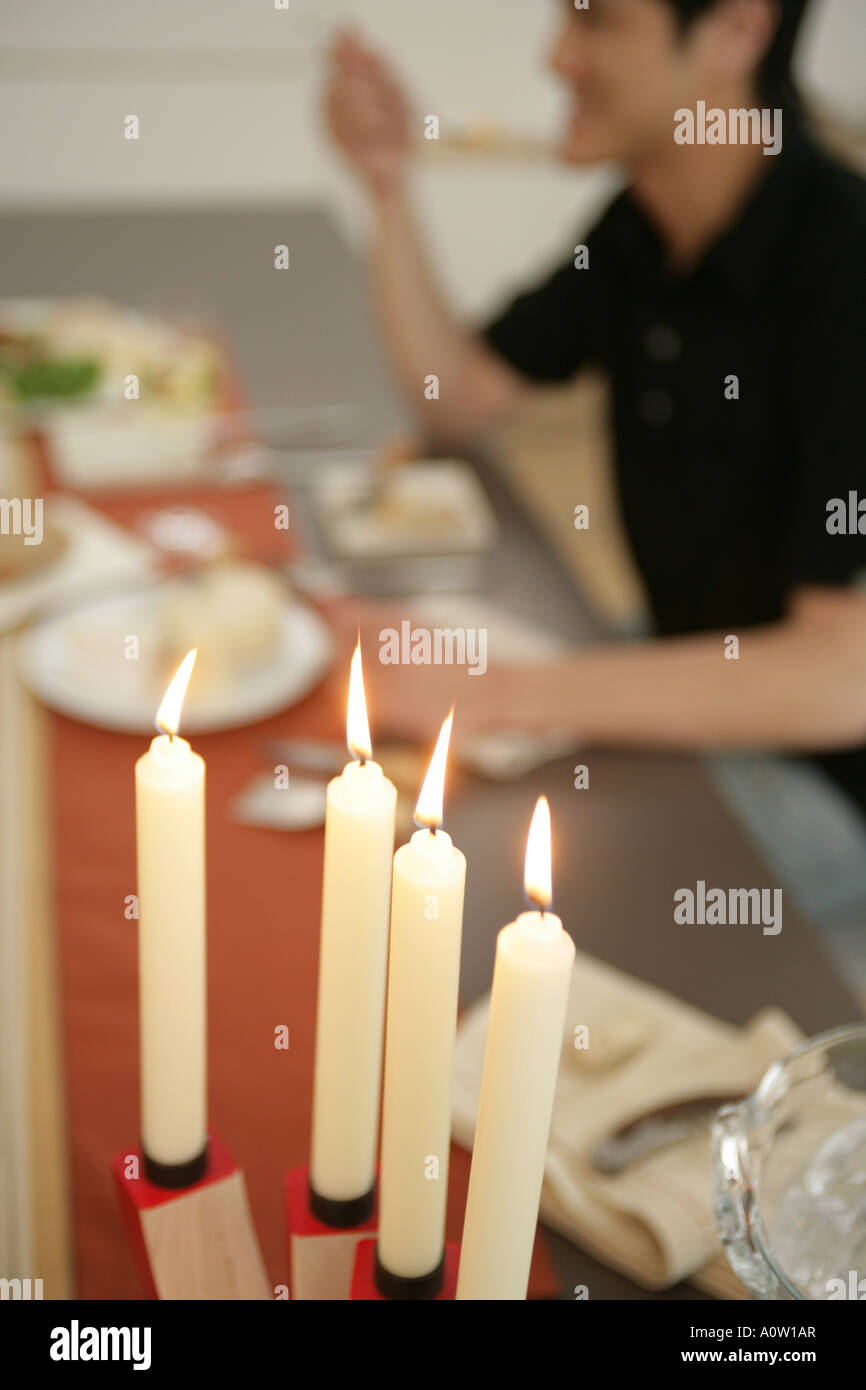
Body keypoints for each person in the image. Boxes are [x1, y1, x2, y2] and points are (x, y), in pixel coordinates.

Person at [323, 0, 866, 819]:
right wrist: (387, 185)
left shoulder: (847, 266)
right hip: (697, 675)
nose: (556, 58)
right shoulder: (639, 231)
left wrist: (498, 692)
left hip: (827, 780)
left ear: (736, 31)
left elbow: (840, 678)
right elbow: (457, 396)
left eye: (596, 19)